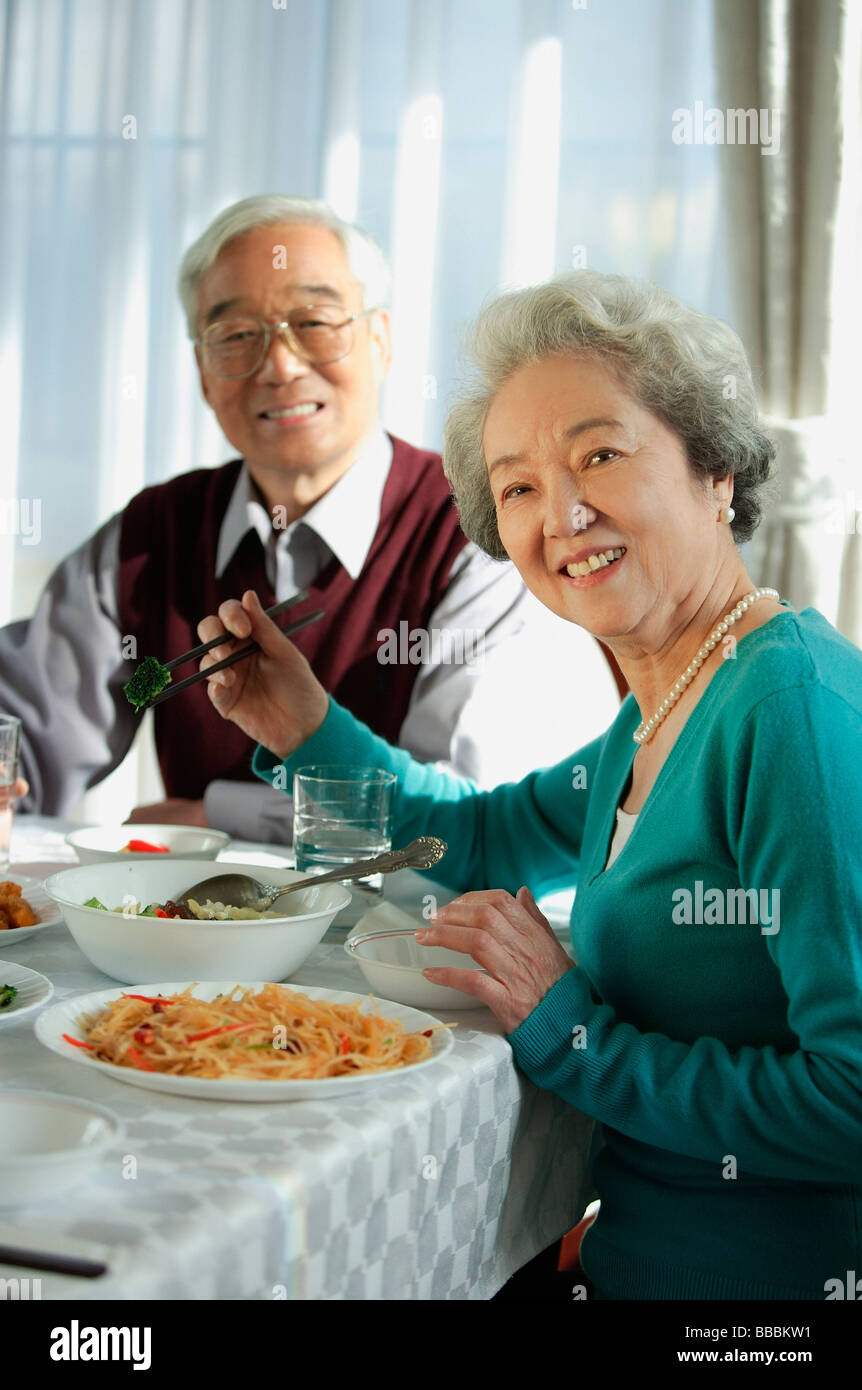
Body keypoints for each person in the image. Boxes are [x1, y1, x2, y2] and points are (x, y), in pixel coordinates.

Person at [195, 270, 862, 1300]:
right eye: (517, 487)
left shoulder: (789, 709)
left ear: (715, 468)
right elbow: (474, 838)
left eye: (600, 453)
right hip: (616, 1257)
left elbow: (851, 1102)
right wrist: (303, 723)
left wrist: (568, 1031)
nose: (565, 512)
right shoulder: (665, 702)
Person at [0, 198, 620, 841]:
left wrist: (226, 816)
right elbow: (21, 733)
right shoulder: (153, 535)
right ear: (204, 374)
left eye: (315, 322)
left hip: (404, 936)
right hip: (188, 931)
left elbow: (463, 827)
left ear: (380, 341)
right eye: (237, 335)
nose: (281, 365)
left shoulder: (476, 528)